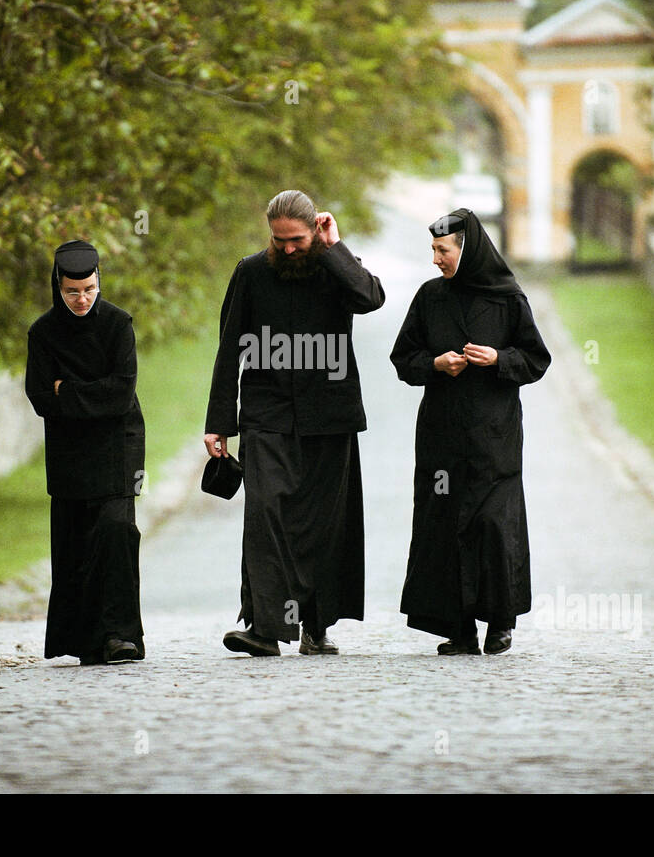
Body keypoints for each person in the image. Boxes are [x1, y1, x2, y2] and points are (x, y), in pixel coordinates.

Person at [205, 189, 385, 656]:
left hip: (331, 416)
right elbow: (229, 351)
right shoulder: (250, 273)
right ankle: (265, 629)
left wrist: (334, 247)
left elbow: (370, 298)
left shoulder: (335, 267)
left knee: (324, 524)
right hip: (267, 415)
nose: (287, 248)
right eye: (279, 239)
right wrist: (219, 423)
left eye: (297, 240)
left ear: (315, 231)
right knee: (266, 513)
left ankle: (316, 626)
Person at [389, 208, 551, 655]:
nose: (436, 259)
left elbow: (536, 360)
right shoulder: (429, 298)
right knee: (443, 524)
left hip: (494, 435)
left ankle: (501, 621)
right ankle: (457, 628)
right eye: (434, 250)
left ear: (467, 249)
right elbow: (403, 360)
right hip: (441, 434)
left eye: (442, 250)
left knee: (494, 523)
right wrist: (436, 364)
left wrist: (499, 359)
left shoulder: (508, 299)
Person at [26, 240, 146, 666]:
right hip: (70, 454)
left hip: (118, 448)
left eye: (90, 290)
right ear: (57, 287)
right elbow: (41, 396)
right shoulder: (42, 333)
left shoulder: (118, 324)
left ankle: (121, 636)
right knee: (76, 543)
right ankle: (87, 641)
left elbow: (120, 393)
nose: (82, 299)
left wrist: (69, 391)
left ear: (100, 283)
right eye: (73, 292)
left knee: (115, 533)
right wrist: (83, 395)